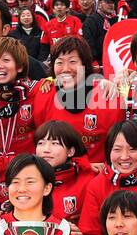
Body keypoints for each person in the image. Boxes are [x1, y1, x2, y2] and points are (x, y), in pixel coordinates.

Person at [29, 35, 123, 165]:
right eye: (59, 62)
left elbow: (118, 145)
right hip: (54, 177)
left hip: (95, 178)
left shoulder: (107, 96)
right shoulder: (43, 92)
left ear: (84, 65)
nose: (65, 69)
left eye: (72, 62)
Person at [34, 120, 95, 227]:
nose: (46, 150)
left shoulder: (88, 180)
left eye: (55, 143)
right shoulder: (25, 179)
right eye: (41, 143)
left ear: (70, 151)